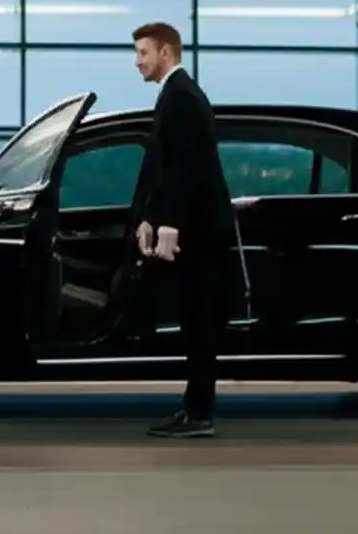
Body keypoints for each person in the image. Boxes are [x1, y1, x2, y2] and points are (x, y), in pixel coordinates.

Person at [129, 22, 235, 438]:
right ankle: (194, 408)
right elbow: (164, 166)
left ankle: (200, 414)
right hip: (195, 226)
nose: (137, 62)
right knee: (194, 320)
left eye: (143, 53)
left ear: (166, 53)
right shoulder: (176, 95)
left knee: (200, 321)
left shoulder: (182, 98)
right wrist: (150, 217)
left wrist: (169, 224)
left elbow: (185, 168)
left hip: (200, 231)